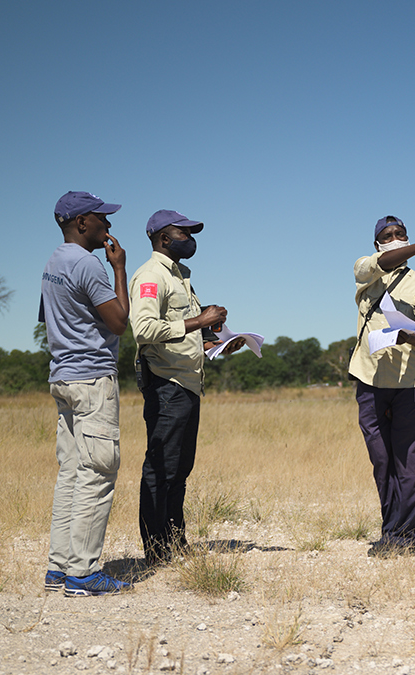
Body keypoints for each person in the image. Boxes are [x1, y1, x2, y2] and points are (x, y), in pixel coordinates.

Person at [130, 209, 242, 566]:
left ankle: (175, 542)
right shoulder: (151, 276)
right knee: (160, 468)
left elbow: (182, 335)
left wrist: (217, 343)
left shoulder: (181, 277)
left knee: (179, 469)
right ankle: (156, 550)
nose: (190, 240)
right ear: (164, 238)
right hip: (166, 384)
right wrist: (200, 319)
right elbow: (143, 329)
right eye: (184, 233)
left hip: (188, 383)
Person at [40, 191, 133, 596]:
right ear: (81, 222)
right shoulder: (88, 264)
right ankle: (83, 573)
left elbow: (50, 318)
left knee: (72, 472)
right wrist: (119, 269)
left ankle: (58, 568)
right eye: (102, 218)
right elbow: (119, 322)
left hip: (62, 376)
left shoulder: (53, 262)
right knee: (98, 471)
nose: (108, 225)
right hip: (93, 379)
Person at [349, 215, 415, 556]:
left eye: (400, 234)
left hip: (410, 382)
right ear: (377, 244)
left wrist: (409, 336)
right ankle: (390, 527)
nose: (394, 238)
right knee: (382, 460)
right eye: (387, 235)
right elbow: (379, 264)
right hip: (370, 378)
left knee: (409, 461)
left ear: (406, 237)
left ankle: (402, 537)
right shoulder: (365, 271)